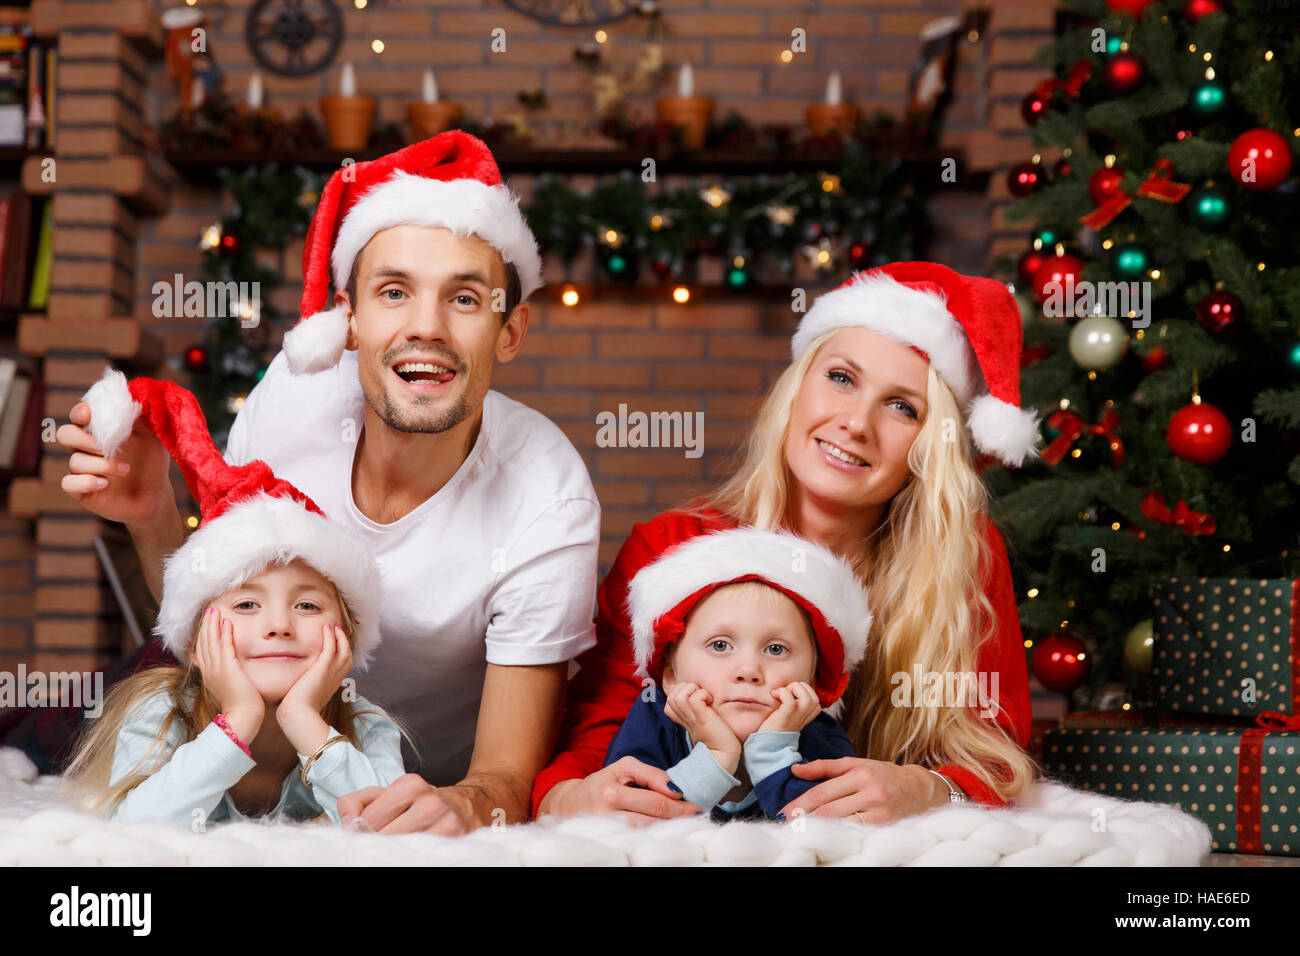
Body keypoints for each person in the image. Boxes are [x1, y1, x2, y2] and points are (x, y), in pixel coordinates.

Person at [48, 131, 601, 834]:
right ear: (349, 317)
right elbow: (220, 618)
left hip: (375, 772)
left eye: (464, 298)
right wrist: (154, 515)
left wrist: (460, 803)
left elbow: (503, 779)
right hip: (224, 731)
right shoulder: (294, 399)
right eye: (394, 291)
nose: (424, 329)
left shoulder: (548, 497)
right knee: (45, 734)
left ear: (510, 330)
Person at [534, 261, 1041, 825]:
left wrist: (925, 789)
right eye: (841, 378)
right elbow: (592, 728)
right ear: (796, 387)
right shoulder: (675, 546)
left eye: (903, 407)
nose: (856, 423)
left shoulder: (960, 555)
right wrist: (568, 796)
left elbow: (996, 752)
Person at [62, 371, 405, 826]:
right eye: (247, 604)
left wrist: (305, 721)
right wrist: (237, 721)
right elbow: (135, 832)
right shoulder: (163, 713)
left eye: (307, 605)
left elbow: (391, 833)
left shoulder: (363, 723)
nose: (279, 625)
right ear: (196, 632)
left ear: (346, 631)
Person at [605, 527, 870, 821]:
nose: (748, 670)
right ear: (670, 675)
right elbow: (636, 821)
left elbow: (824, 832)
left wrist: (772, 754)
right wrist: (716, 757)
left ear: (811, 677)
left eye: (776, 649)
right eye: (720, 645)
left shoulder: (821, 738)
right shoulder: (652, 719)